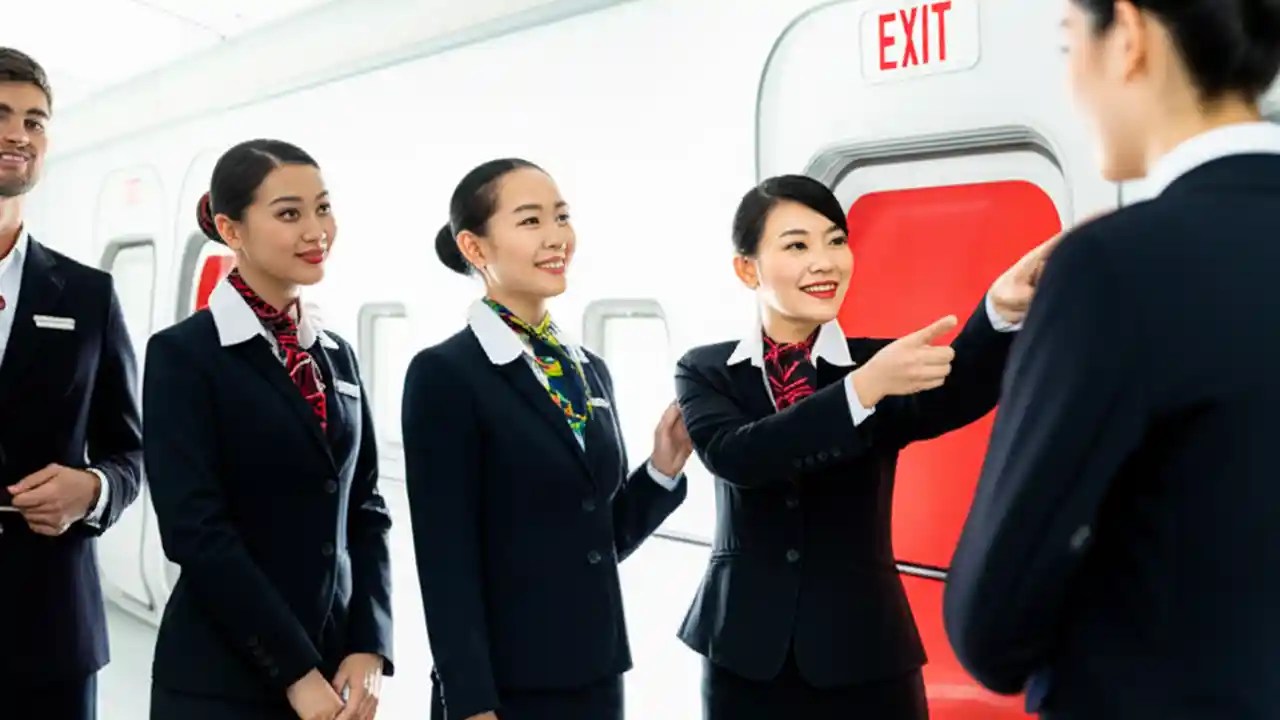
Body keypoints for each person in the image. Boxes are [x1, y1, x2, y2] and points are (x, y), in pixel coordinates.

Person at [943, 1, 1280, 718]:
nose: (1071, 81)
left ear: (1127, 37)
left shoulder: (1113, 268)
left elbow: (988, 626)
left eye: (1070, 44)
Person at [674, 174, 1057, 719]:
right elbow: (739, 457)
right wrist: (862, 388)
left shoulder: (876, 361)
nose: (825, 261)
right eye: (797, 245)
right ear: (747, 268)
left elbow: (959, 389)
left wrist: (999, 311)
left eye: (835, 241)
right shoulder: (706, 369)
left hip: (865, 648)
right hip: (743, 651)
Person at [402, 158, 692, 720]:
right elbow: (444, 562)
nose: (557, 236)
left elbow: (594, 538)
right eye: (531, 221)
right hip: (503, 688)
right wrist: (470, 701)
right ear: (475, 247)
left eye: (562, 217)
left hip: (595, 675)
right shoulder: (445, 374)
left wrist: (661, 471)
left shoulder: (588, 370)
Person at [142, 139, 393, 720]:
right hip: (222, 679)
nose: (316, 230)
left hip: (336, 675)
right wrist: (295, 671)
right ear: (232, 230)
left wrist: (369, 642)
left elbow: (367, 508)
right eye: (289, 213)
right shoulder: (185, 356)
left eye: (323, 207)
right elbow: (195, 531)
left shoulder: (337, 355)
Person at [0, 47, 144, 720]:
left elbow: (133, 449)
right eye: (0, 115)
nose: (17, 135)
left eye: (34, 120)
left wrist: (92, 488)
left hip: (51, 630)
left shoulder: (87, 293)